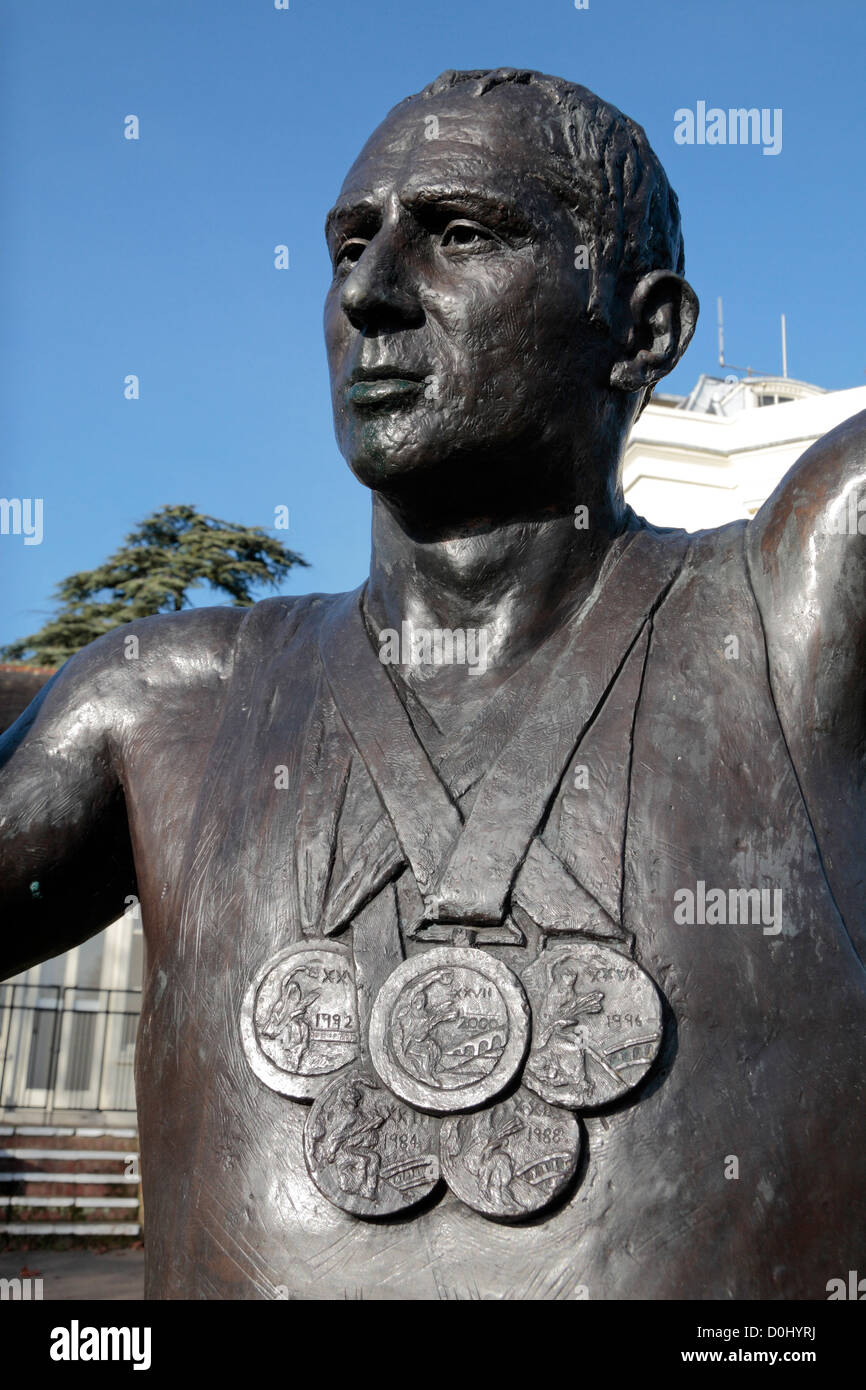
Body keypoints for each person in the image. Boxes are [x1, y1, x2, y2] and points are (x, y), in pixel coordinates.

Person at [1, 67, 864, 1300]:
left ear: (645, 329)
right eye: (349, 244)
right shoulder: (167, 697)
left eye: (458, 234)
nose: (368, 291)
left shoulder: (800, 614)